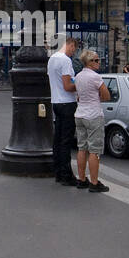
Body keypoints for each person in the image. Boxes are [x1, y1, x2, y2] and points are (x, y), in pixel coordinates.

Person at [72, 49, 111, 192]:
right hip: (94, 115)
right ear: (90, 62)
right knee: (94, 151)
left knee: (82, 148)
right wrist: (97, 98)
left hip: (80, 114)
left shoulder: (78, 76)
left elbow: (78, 95)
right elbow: (106, 96)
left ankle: (81, 179)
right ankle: (94, 183)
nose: (99, 62)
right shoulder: (95, 77)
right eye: (96, 60)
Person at [48, 35, 80, 185]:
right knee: (66, 141)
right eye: (74, 47)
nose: (74, 51)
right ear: (69, 45)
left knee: (58, 140)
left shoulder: (52, 58)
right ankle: (67, 175)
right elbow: (68, 86)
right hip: (67, 103)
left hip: (56, 102)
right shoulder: (65, 60)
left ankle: (58, 172)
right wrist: (79, 84)